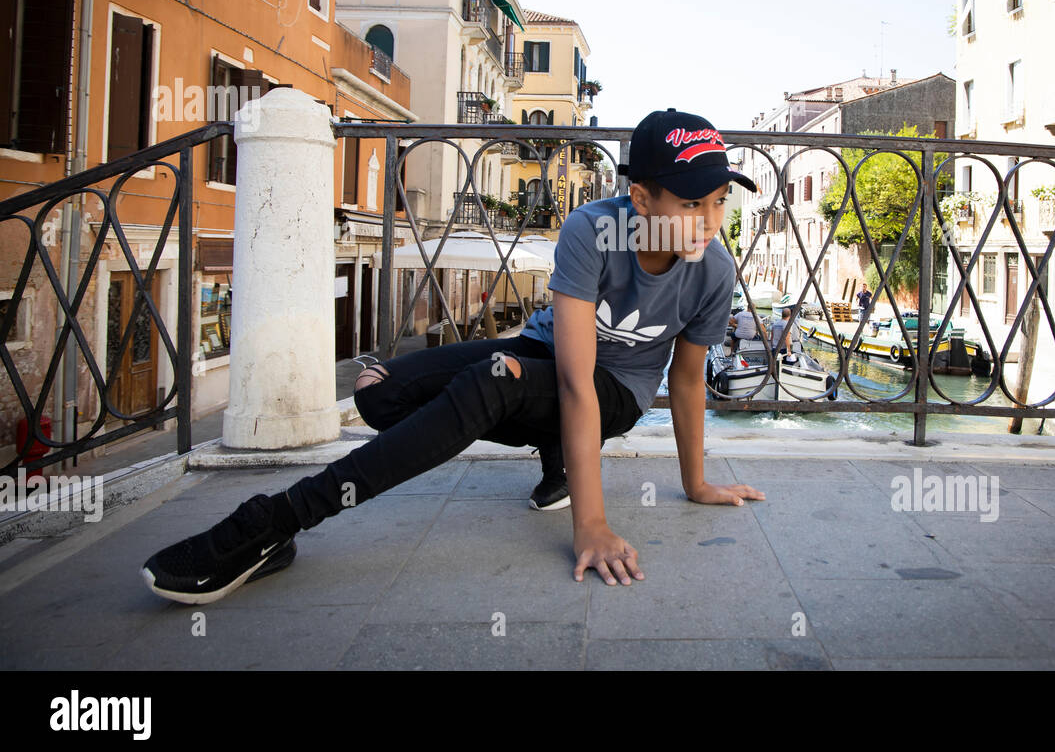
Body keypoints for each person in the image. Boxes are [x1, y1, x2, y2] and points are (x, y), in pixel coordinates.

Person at [140, 108, 766, 603]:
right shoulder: (590, 233)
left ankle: (278, 520)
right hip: (551, 361)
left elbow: (684, 384)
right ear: (641, 199)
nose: (710, 221)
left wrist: (686, 486)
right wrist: (590, 515)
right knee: (379, 393)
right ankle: (558, 458)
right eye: (691, 204)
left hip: (617, 393)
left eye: (718, 201)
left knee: (493, 388)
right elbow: (567, 379)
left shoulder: (713, 270)